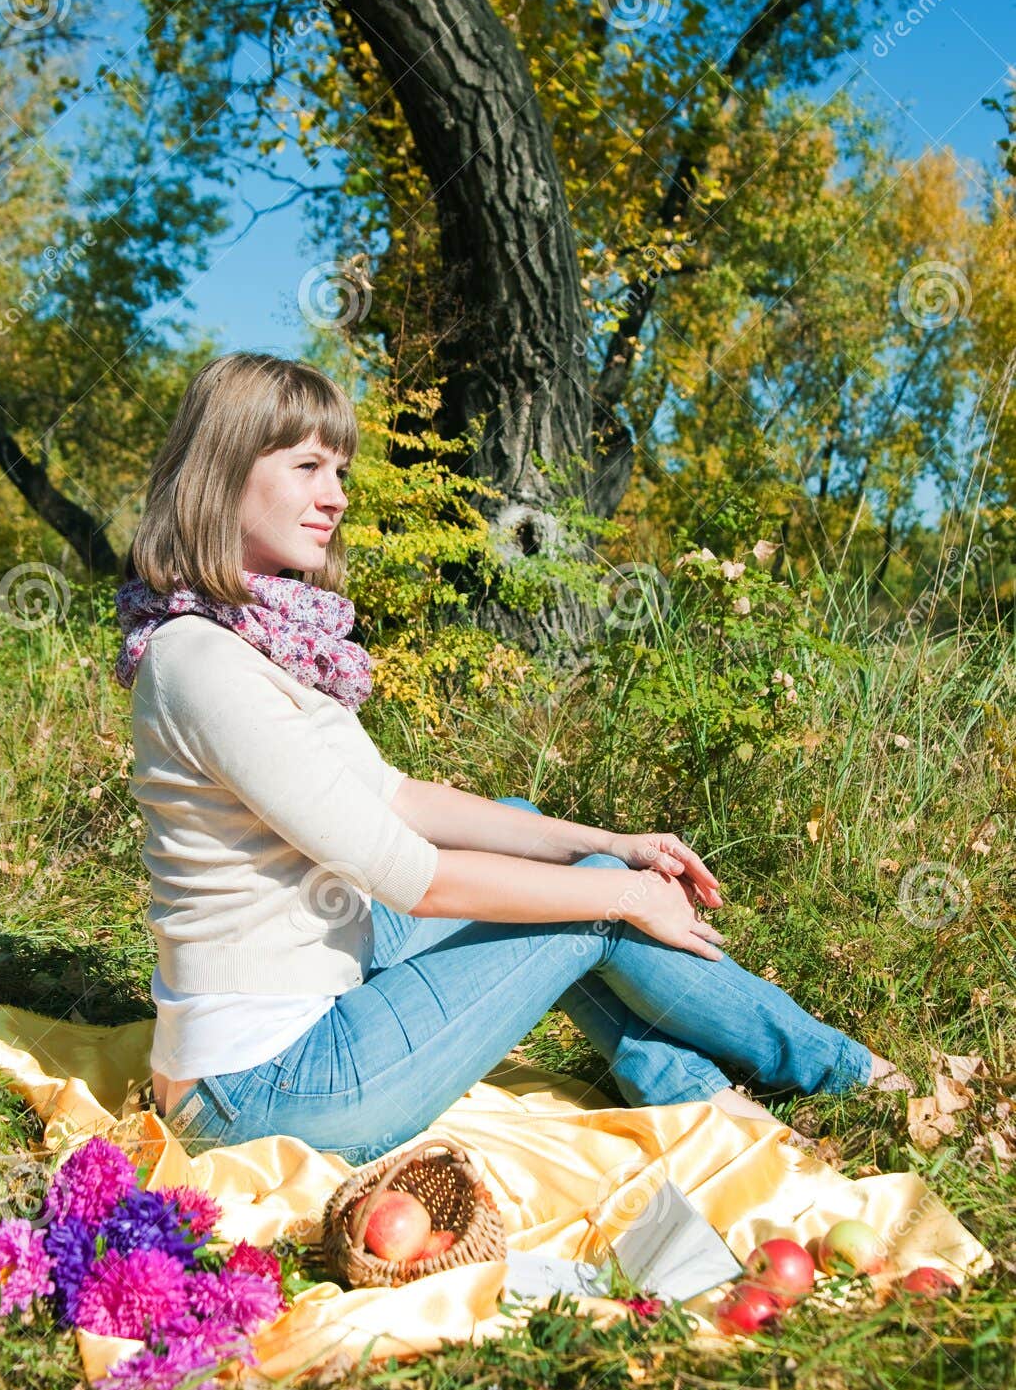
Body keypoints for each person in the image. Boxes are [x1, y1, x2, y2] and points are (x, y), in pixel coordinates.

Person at [114, 352, 911, 1164]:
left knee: (550, 849)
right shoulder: (202, 661)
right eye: (308, 466)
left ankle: (693, 1094)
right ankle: (857, 1079)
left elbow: (394, 795)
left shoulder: (257, 636)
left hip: (315, 990)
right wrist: (625, 892)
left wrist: (609, 843)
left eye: (341, 470)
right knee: (591, 904)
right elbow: (409, 876)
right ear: (224, 469)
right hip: (264, 1090)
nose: (337, 497)